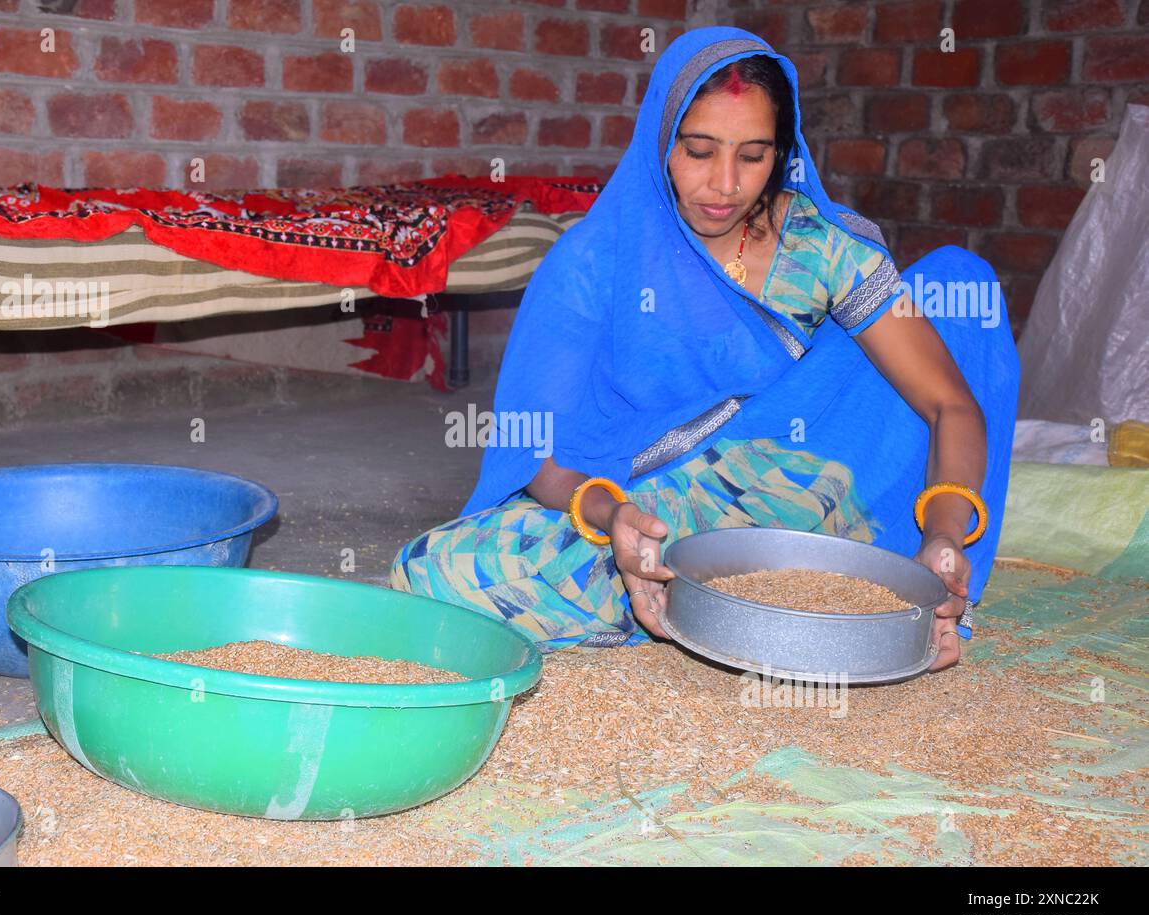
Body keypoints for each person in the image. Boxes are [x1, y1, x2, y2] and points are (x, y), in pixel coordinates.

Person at [390, 26, 1019, 672]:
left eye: (753, 155)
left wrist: (943, 534)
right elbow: (539, 450)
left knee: (953, 288)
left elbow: (950, 404)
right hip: (660, 505)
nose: (724, 184)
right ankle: (718, 593)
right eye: (699, 150)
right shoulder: (595, 261)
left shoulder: (820, 250)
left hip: (812, 499)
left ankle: (842, 590)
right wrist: (615, 518)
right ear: (662, 142)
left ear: (782, 152)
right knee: (432, 571)